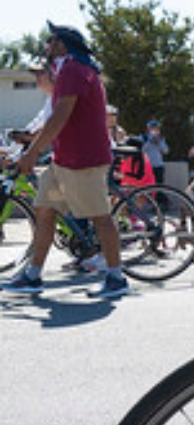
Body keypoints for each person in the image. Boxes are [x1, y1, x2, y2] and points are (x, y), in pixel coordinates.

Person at [2, 22, 129, 298]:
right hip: (64, 160)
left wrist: (33, 151)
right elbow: (54, 118)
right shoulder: (68, 70)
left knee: (100, 217)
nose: (46, 45)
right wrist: (31, 143)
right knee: (45, 211)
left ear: (61, 44)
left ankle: (116, 278)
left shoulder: (73, 69)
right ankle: (33, 275)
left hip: (84, 159)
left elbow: (62, 114)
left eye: (50, 40)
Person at [141, 119, 169, 185]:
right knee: (148, 184)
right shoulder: (144, 137)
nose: (155, 130)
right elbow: (142, 150)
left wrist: (159, 142)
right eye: (153, 128)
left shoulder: (161, 138)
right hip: (147, 165)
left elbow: (165, 151)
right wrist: (150, 141)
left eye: (157, 128)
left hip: (158, 165)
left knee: (159, 185)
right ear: (148, 128)